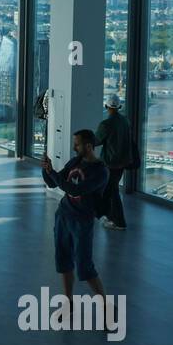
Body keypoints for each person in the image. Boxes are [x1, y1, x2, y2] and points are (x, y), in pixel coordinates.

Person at [41, 129, 110, 303]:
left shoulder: (100, 171)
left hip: (82, 221)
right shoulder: (75, 162)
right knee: (63, 261)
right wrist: (47, 170)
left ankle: (106, 307)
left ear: (88, 146)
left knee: (84, 267)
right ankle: (68, 302)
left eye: (77, 144)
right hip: (63, 216)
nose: (74, 147)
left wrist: (54, 175)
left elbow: (74, 189)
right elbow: (52, 183)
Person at [96, 94, 133, 231]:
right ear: (119, 106)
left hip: (109, 163)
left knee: (111, 190)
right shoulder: (125, 121)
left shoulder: (106, 124)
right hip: (122, 162)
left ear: (106, 106)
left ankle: (118, 221)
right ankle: (107, 215)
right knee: (111, 189)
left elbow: (97, 140)